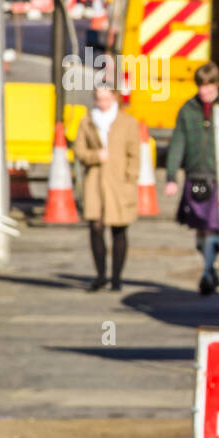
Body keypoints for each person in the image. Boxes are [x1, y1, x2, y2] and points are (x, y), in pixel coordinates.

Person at [73, 70, 139, 292]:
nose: (101, 103)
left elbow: (134, 154)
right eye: (98, 99)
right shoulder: (87, 121)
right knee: (95, 227)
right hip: (95, 182)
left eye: (106, 99)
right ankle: (100, 275)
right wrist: (95, 157)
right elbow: (79, 150)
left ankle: (117, 278)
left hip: (119, 182)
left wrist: (131, 179)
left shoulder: (127, 122)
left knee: (119, 229)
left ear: (115, 98)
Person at [165, 61, 219, 295]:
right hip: (195, 177)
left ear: (217, 85)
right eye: (201, 87)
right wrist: (171, 177)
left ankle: (207, 271)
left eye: (209, 87)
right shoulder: (188, 110)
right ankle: (211, 263)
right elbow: (177, 144)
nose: (204, 92)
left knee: (213, 228)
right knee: (201, 230)